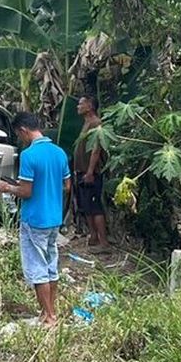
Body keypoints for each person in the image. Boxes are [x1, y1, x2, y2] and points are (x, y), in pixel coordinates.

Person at [0, 112, 71, 326]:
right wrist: (49, 189)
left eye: (19, 135)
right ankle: (49, 313)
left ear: (23, 130)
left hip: (35, 218)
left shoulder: (29, 155)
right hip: (54, 218)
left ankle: (49, 317)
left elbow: (26, 191)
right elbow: (67, 186)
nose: (20, 139)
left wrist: (7, 187)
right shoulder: (59, 152)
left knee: (37, 269)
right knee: (51, 265)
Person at [74, 95, 109, 248]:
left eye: (81, 104)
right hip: (82, 171)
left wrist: (90, 171)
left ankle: (104, 242)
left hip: (91, 173)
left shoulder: (96, 123)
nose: (78, 106)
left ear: (90, 106)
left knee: (95, 207)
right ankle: (93, 236)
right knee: (87, 206)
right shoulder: (86, 123)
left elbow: (96, 149)